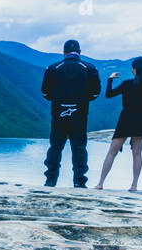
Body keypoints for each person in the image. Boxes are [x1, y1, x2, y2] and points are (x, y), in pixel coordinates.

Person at [40, 39, 101, 187]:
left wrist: (58, 101)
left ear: (64, 52)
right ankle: (80, 182)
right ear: (79, 52)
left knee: (55, 146)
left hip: (58, 113)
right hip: (79, 114)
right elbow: (95, 93)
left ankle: (50, 181)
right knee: (79, 147)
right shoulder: (89, 68)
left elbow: (45, 93)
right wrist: (82, 101)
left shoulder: (53, 68)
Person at [94, 56, 142, 192]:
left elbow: (109, 94)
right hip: (141, 117)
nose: (132, 70)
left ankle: (100, 183)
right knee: (137, 153)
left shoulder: (128, 84)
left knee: (112, 151)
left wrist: (110, 79)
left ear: (136, 69)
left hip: (126, 117)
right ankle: (134, 186)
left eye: (133, 68)